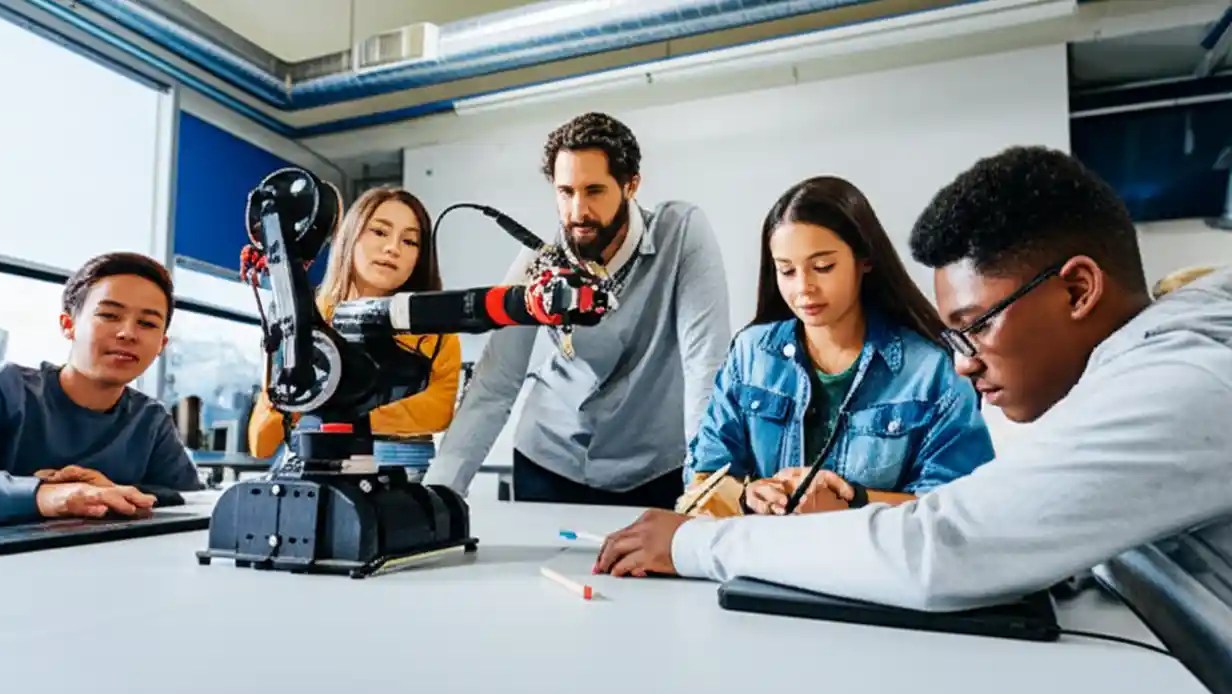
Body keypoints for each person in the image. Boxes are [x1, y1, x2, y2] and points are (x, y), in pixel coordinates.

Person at [592, 146, 1232, 612]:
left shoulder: (1187, 383)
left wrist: (700, 545)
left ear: (1077, 289)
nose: (963, 361)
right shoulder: (1099, 386)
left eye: (976, 326)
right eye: (786, 270)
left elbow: (946, 545)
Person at [422, 111, 731, 507]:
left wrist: (706, 483)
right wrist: (439, 498)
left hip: (654, 469)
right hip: (550, 461)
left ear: (631, 185)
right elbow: (494, 383)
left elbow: (705, 364)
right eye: (565, 192)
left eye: (594, 191)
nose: (578, 212)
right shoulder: (540, 256)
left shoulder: (680, 233)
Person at [687, 177, 993, 516]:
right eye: (786, 271)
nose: (803, 288)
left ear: (865, 260)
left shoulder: (931, 370)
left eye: (822, 267)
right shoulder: (750, 354)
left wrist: (854, 499)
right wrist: (746, 495)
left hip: (875, 565)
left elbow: (956, 506)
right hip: (762, 563)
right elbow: (703, 476)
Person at [0, 252, 203, 526]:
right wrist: (45, 496)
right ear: (68, 324)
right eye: (109, 315)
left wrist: (108, 490)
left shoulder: (150, 420)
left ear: (161, 345)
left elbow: (190, 500)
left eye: (147, 323)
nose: (128, 333)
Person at [247, 187, 461, 476]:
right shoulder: (303, 319)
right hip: (305, 470)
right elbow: (261, 441)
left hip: (402, 474)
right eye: (380, 232)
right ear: (351, 235)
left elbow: (438, 410)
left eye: (410, 241)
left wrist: (326, 408)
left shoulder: (435, 331)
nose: (393, 248)